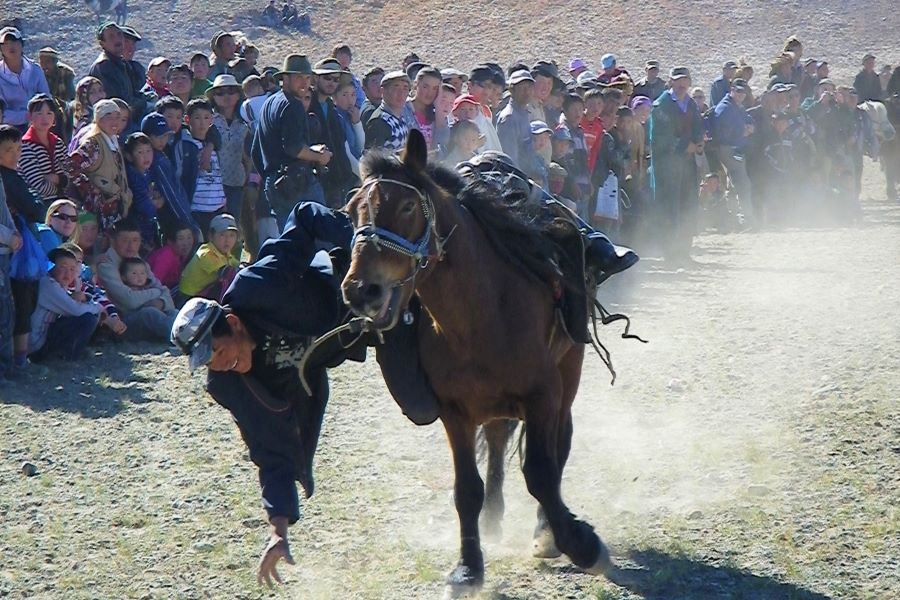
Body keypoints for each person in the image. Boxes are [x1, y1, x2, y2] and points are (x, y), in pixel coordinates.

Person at [168, 201, 427, 587]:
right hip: (357, 337)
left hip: (352, 288)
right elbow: (268, 449)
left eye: (218, 352)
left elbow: (305, 218)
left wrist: (358, 244)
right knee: (421, 405)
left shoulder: (258, 285)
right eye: (209, 363)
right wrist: (279, 529)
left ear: (234, 323)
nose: (218, 366)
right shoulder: (228, 385)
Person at [251, 54, 332, 238]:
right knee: (323, 241)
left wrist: (271, 178)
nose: (304, 83)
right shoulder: (293, 105)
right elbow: (294, 148)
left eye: (307, 78)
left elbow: (255, 151)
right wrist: (319, 156)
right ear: (285, 79)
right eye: (298, 77)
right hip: (297, 182)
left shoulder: (269, 103)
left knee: (292, 245)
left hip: (276, 184)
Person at [0, 124, 50, 373]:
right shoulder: (8, 178)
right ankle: (18, 359)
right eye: (8, 150)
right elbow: (35, 207)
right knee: (19, 301)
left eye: (18, 148)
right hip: (11, 248)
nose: (15, 154)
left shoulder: (11, 175)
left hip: (12, 245)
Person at [649, 67, 705, 262]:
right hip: (668, 166)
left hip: (687, 164)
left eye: (685, 81)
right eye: (678, 81)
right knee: (670, 207)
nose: (682, 85)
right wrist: (684, 146)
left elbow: (698, 125)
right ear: (671, 82)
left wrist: (698, 142)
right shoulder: (661, 106)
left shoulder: (690, 104)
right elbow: (660, 138)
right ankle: (671, 253)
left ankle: (684, 251)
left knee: (688, 204)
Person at [97, 218, 177, 341]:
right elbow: (129, 300)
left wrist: (161, 302)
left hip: (144, 312)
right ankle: (183, 338)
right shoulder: (107, 264)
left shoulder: (138, 261)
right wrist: (155, 293)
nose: (131, 246)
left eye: (135, 240)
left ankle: (196, 333)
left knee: (174, 312)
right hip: (121, 322)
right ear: (113, 240)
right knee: (150, 313)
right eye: (125, 240)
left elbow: (164, 291)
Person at [68, 99, 132, 233]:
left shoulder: (113, 140)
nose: (114, 122)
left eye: (117, 117)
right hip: (97, 211)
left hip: (113, 208)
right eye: (108, 117)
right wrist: (91, 190)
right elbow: (71, 167)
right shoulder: (93, 143)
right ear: (99, 119)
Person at [28, 246, 102, 362]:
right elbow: (76, 310)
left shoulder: (59, 285)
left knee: (89, 313)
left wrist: (86, 299)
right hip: (35, 344)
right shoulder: (48, 284)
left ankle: (72, 353)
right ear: (51, 267)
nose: (68, 273)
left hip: (44, 336)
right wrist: (97, 307)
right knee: (88, 318)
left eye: (72, 269)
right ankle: (69, 356)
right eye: (63, 267)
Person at [309, 59, 357, 208]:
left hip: (338, 182)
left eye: (336, 79)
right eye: (327, 78)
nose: (332, 83)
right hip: (314, 182)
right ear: (316, 79)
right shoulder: (305, 105)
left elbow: (341, 147)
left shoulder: (332, 109)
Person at [711, 78, 755, 227]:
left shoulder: (737, 106)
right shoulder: (724, 108)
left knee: (735, 184)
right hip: (728, 149)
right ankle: (745, 218)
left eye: (744, 92)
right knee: (742, 183)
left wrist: (749, 126)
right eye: (738, 91)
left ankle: (735, 218)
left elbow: (748, 118)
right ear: (732, 90)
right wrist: (742, 131)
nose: (741, 94)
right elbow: (722, 131)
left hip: (735, 149)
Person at [207, 74, 251, 220]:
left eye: (231, 91)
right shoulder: (208, 120)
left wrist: (250, 180)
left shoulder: (246, 122)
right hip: (213, 183)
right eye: (220, 92)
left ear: (239, 95)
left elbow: (248, 156)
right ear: (213, 96)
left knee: (233, 226)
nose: (226, 96)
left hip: (237, 182)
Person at [88, 23, 147, 126]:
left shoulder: (121, 63)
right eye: (111, 36)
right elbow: (119, 101)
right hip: (115, 122)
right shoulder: (104, 66)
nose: (117, 39)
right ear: (102, 44)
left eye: (119, 35)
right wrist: (143, 102)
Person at [186, 98, 228, 236]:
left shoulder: (214, 146)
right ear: (188, 120)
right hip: (198, 207)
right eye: (197, 118)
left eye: (206, 117)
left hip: (217, 205)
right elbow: (203, 166)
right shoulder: (188, 146)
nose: (202, 122)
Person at [18, 94, 71, 202]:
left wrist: (56, 178)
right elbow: (38, 185)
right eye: (39, 113)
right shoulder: (25, 146)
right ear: (30, 116)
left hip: (63, 200)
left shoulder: (58, 143)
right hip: (39, 203)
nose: (44, 118)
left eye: (49, 113)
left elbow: (70, 173)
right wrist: (60, 188)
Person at [179, 213, 240, 300]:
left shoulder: (225, 253)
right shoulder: (206, 253)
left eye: (232, 235)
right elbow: (227, 272)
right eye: (222, 235)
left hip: (203, 296)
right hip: (188, 299)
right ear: (211, 236)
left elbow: (238, 265)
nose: (228, 240)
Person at [0, 27, 51, 130]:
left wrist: (38, 116)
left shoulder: (35, 69)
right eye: (6, 43)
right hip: (9, 129)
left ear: (22, 45)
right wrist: (27, 116)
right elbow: (2, 114)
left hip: (38, 124)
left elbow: (46, 98)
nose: (11, 46)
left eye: (14, 41)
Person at [123, 132, 163, 251]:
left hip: (149, 225)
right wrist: (156, 204)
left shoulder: (148, 172)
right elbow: (144, 206)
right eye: (140, 152)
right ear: (129, 156)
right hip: (138, 225)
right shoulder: (133, 175)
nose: (146, 156)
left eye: (148, 151)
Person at [497, 70, 539, 172]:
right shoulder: (509, 118)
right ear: (512, 90)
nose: (527, 92)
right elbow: (510, 158)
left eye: (529, 87)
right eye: (522, 88)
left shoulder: (524, 113)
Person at [364, 70, 412, 152]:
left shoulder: (401, 117)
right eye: (395, 87)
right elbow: (371, 159)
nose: (401, 93)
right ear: (383, 91)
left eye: (405, 88)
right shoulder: (380, 121)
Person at [147, 221, 194, 297]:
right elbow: (153, 285)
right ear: (170, 241)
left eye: (189, 237)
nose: (186, 243)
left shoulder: (182, 254)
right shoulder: (165, 257)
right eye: (181, 239)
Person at [69, 76, 106, 150]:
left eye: (100, 90)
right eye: (92, 92)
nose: (99, 95)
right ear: (83, 96)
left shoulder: (107, 113)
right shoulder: (82, 121)